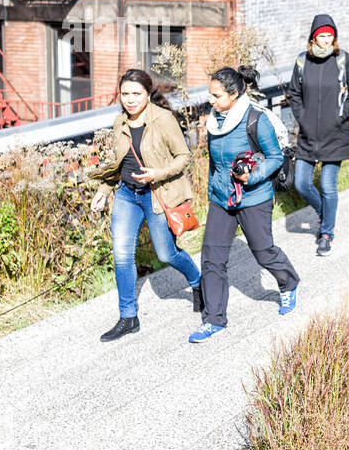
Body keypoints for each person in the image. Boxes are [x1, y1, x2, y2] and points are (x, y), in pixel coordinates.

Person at [90, 69, 203, 342]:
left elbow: (183, 156)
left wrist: (157, 173)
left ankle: (198, 282)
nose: (130, 100)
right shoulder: (119, 121)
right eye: (125, 94)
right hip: (127, 195)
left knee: (166, 254)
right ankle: (128, 317)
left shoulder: (163, 119)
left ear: (148, 93)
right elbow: (118, 163)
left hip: (156, 194)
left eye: (136, 94)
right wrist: (104, 190)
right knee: (121, 254)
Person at [190, 65, 300, 343]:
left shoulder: (255, 119)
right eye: (210, 95)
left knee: (263, 252)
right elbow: (215, 161)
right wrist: (212, 189)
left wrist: (252, 176)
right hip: (221, 199)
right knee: (212, 259)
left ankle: (288, 283)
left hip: (254, 197)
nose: (211, 101)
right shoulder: (214, 121)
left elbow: (275, 158)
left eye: (216, 96)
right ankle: (213, 319)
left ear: (235, 94)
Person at [285, 13, 349, 256]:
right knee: (302, 183)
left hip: (334, 134)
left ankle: (326, 233)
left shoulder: (342, 59)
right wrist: (302, 117)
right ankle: (324, 213)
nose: (327, 40)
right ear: (313, 38)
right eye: (322, 36)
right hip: (308, 134)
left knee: (329, 186)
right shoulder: (301, 61)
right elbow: (293, 94)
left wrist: (340, 115)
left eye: (330, 35)